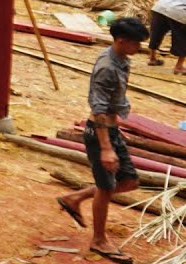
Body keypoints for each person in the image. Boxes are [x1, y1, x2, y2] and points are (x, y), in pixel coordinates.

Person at [56, 17, 149, 264]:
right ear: (121, 40)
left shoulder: (122, 59)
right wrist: (107, 147)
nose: (139, 48)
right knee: (106, 187)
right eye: (136, 43)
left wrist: (116, 129)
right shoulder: (107, 67)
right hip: (99, 135)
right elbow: (98, 109)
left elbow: (111, 104)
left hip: (110, 130)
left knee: (129, 181)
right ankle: (98, 240)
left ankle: (74, 198)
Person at [147, 0, 186, 74]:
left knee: (156, 33)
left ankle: (152, 58)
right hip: (179, 10)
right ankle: (179, 66)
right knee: (183, 38)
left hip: (160, 7)